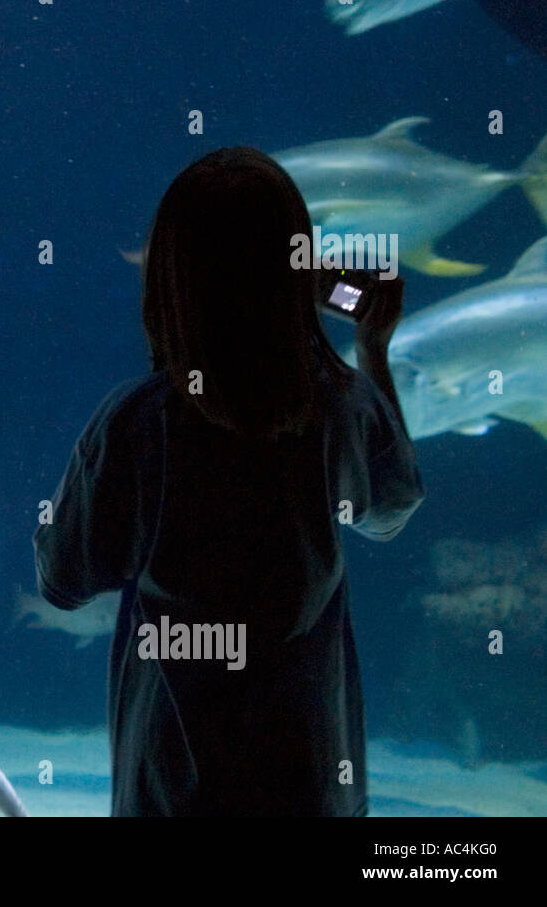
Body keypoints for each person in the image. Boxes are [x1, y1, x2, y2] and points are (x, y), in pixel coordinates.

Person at [33, 147, 425, 816]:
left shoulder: (137, 422)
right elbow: (391, 508)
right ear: (301, 269)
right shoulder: (338, 406)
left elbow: (64, 580)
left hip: (170, 787)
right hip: (309, 783)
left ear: (167, 281)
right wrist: (372, 347)